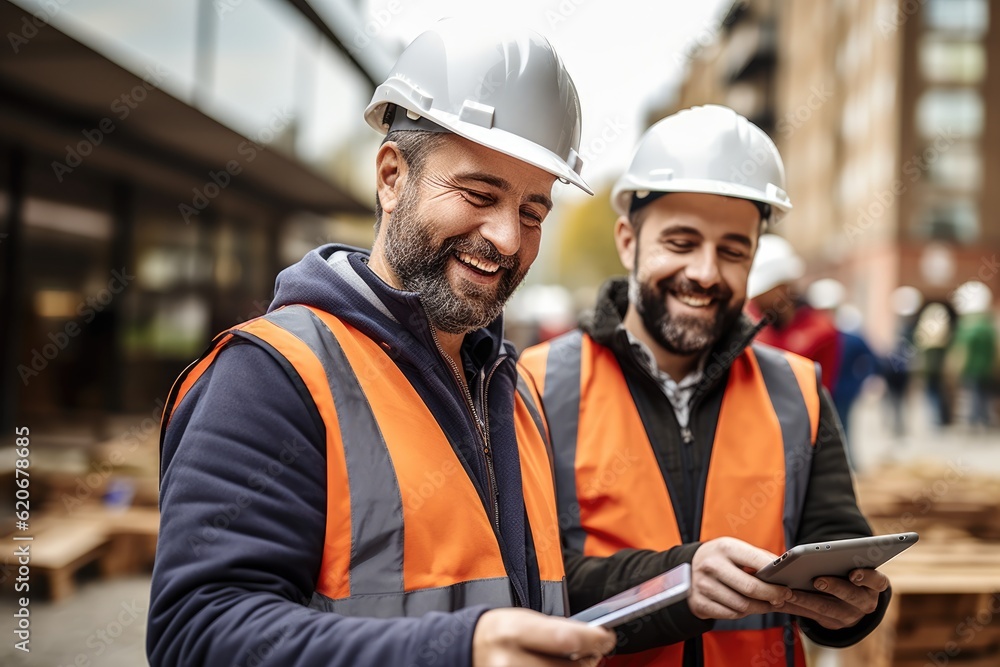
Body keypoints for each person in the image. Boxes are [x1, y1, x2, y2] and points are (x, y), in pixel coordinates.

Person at [147, 20, 617, 667]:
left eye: (533, 212)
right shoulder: (271, 379)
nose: (507, 238)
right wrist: (456, 651)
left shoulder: (513, 389)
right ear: (392, 176)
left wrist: (682, 580)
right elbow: (198, 633)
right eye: (479, 194)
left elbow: (539, 584)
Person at [520, 105, 890, 666]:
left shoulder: (797, 390)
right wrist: (676, 584)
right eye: (682, 241)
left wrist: (855, 608)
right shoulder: (539, 385)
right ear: (628, 240)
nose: (706, 272)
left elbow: (837, 544)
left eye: (733, 250)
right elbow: (524, 583)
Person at [746, 235, 841, 393]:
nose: (755, 300)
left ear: (782, 287)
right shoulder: (748, 322)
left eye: (762, 292)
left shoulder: (820, 330)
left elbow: (821, 390)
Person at [951, 281, 997, 429]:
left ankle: (974, 421)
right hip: (987, 368)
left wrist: (956, 366)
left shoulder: (967, 327)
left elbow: (961, 350)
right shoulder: (988, 326)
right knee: (983, 395)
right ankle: (984, 419)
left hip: (971, 367)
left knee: (973, 396)